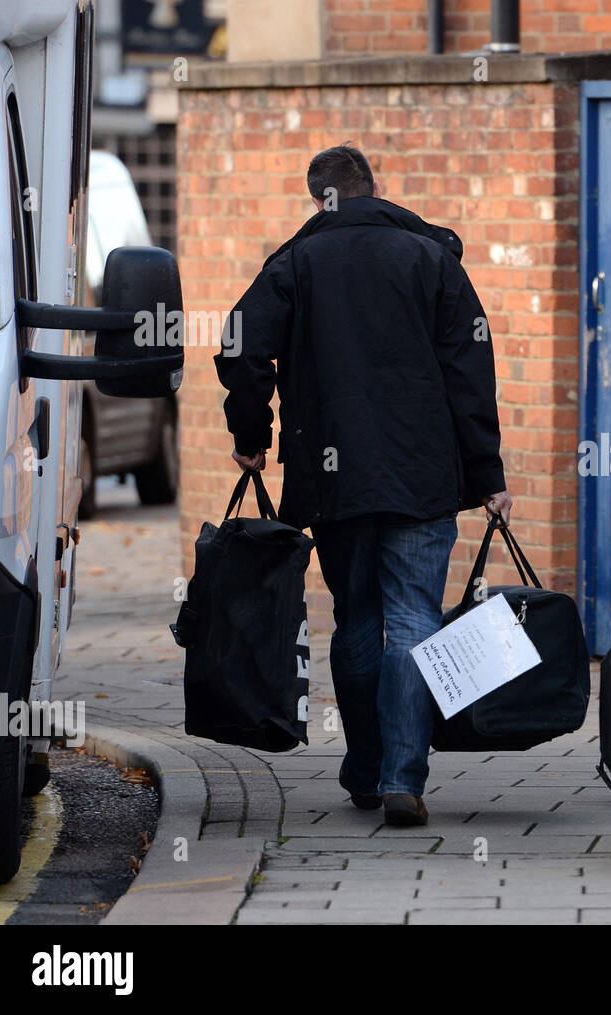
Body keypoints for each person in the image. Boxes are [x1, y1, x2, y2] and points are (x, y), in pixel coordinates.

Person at [215, 146, 511, 827]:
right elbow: (472, 369)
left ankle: (367, 766)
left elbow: (238, 344)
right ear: (375, 187)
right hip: (424, 473)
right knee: (414, 619)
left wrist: (251, 434)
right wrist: (488, 471)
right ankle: (405, 775)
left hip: (332, 477)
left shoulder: (295, 262)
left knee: (356, 621)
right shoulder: (431, 258)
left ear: (318, 197)